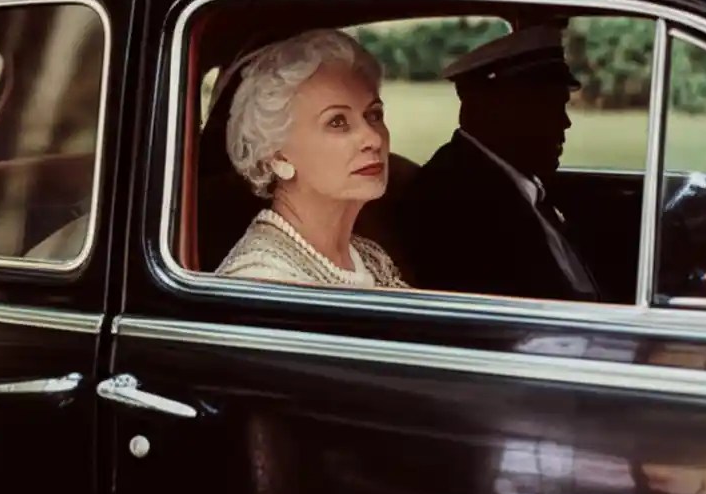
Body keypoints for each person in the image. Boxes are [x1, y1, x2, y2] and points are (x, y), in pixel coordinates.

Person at [398, 24, 601, 301]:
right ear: (492, 111)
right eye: (547, 107)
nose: (565, 122)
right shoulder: (455, 200)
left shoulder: (514, 180)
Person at [215, 28, 407, 288]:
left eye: (374, 115)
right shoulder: (263, 280)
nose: (373, 139)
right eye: (337, 122)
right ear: (276, 154)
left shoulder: (368, 256)